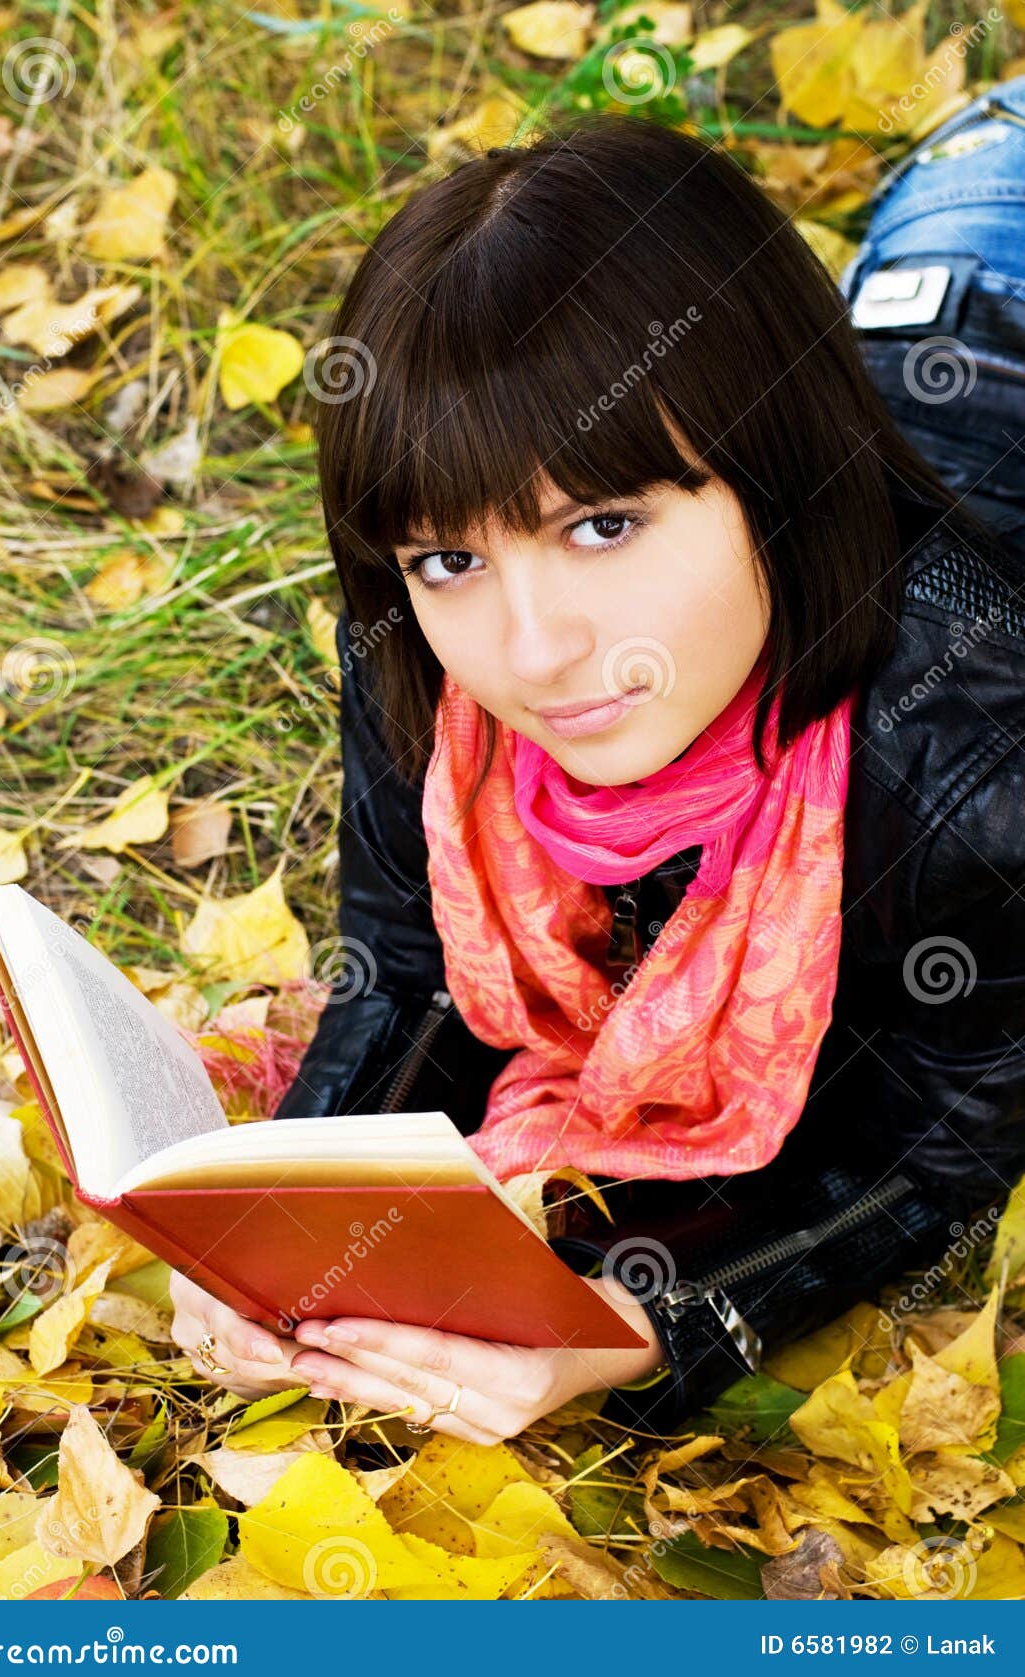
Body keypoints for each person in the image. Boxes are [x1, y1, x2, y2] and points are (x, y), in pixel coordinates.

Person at [170, 87, 1025, 1448]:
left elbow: (943, 1138)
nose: (532, 649)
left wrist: (643, 1327)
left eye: (604, 524)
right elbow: (408, 970)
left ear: (778, 473)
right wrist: (281, 1231)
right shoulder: (432, 662)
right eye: (453, 556)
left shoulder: (971, 750)